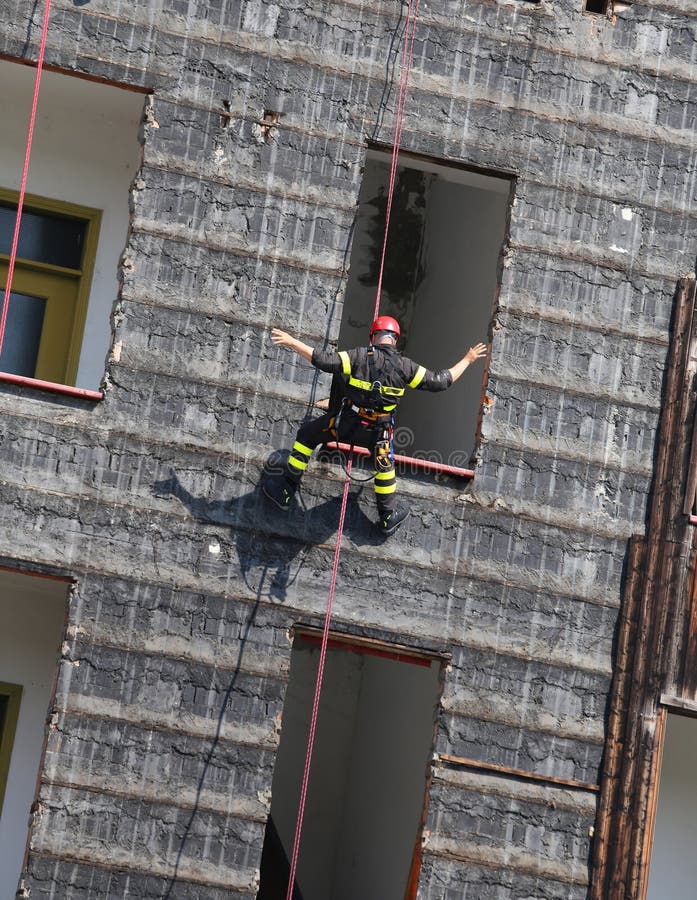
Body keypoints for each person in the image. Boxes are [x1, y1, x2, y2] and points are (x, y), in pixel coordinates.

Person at [265, 315, 487, 535]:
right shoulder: (406, 367)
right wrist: (468, 358)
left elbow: (324, 361)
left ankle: (285, 491)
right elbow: (441, 381)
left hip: (343, 426)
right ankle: (387, 516)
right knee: (384, 463)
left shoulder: (358, 356)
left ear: (373, 337)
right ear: (395, 340)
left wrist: (292, 341)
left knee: (306, 435)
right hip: (377, 434)